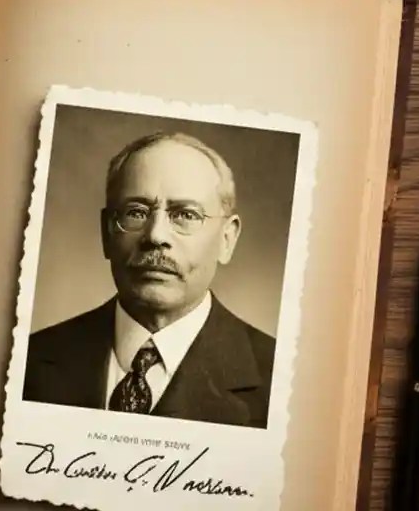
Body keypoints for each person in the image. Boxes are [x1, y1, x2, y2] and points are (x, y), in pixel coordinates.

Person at [22, 131, 275, 429]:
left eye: (185, 214)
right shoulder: (28, 360)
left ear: (227, 239)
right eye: (136, 212)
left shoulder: (277, 379)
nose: (155, 236)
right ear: (107, 234)